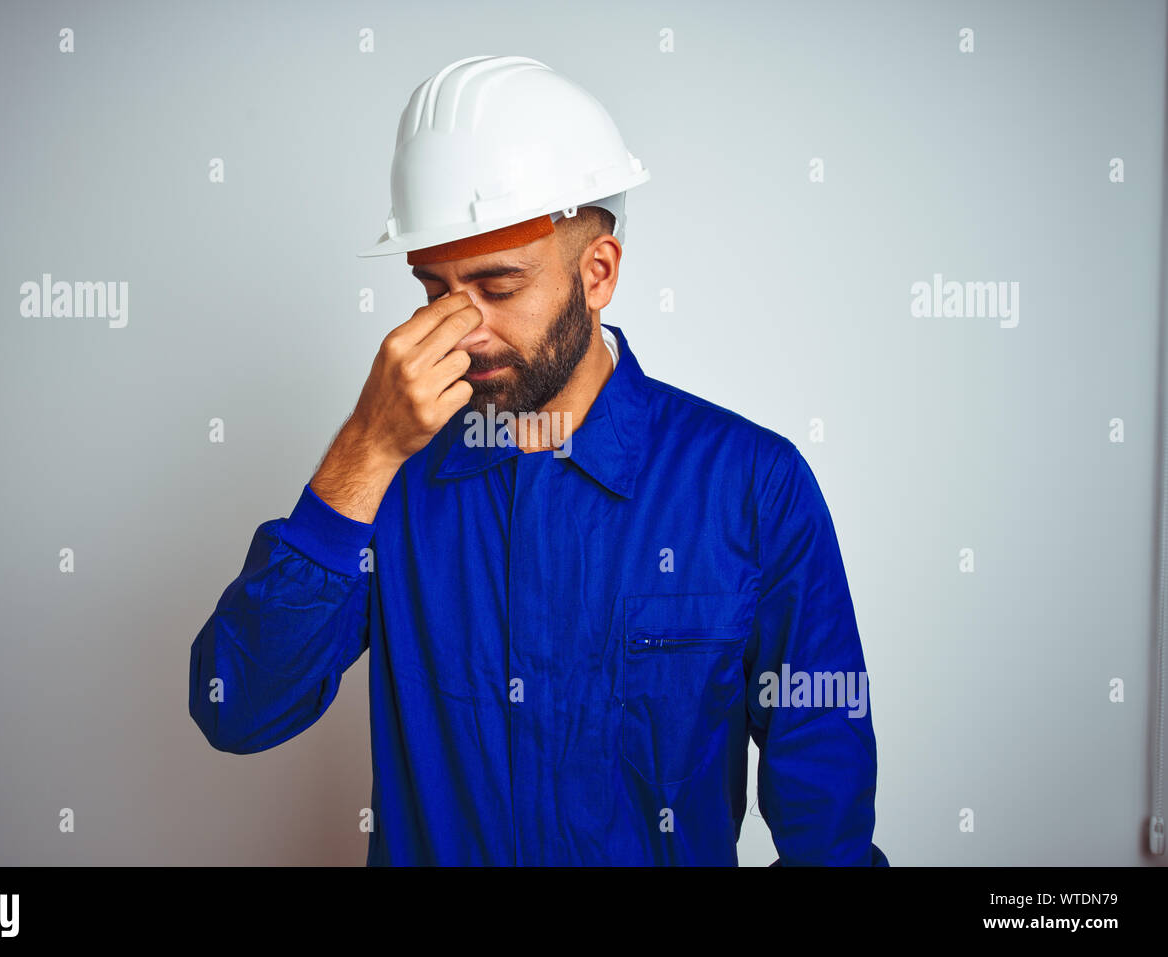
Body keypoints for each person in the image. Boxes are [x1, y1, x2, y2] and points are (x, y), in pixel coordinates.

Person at [189, 55, 887, 866]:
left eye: (498, 285)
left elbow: (826, 822)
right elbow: (236, 705)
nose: (463, 328)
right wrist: (365, 449)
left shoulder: (750, 486)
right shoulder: (388, 481)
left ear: (598, 274)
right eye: (434, 290)